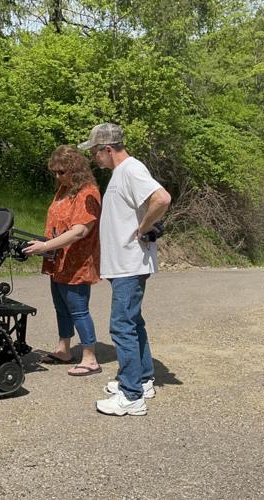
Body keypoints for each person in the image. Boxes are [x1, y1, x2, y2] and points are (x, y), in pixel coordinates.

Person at [80, 123, 171, 416]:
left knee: (122, 325)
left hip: (129, 264)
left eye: (95, 152)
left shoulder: (131, 169)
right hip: (124, 264)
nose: (93, 157)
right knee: (132, 322)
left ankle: (132, 396)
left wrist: (143, 227)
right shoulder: (122, 172)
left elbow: (162, 198)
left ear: (107, 149)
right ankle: (141, 380)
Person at [23, 145, 102, 377]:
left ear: (75, 169)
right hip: (58, 260)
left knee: (78, 310)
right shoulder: (64, 190)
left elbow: (80, 231)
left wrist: (45, 246)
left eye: (62, 172)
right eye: (55, 172)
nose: (57, 176)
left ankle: (90, 357)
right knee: (61, 307)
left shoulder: (88, 193)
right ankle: (64, 349)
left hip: (76, 262)